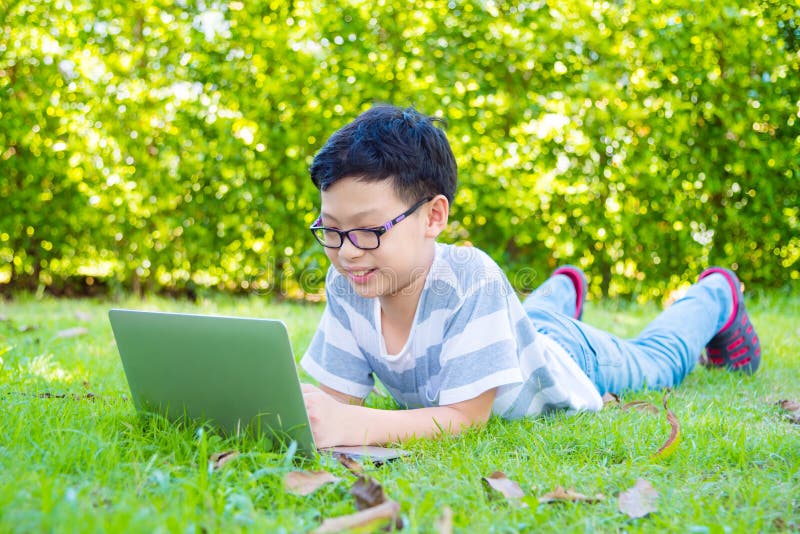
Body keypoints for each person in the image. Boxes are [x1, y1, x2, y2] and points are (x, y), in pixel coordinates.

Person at [299, 105, 761, 449]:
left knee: (658, 359)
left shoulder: (471, 280)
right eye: (332, 230)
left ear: (433, 216)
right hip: (518, 337)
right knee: (531, 321)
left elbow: (465, 417)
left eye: (367, 230)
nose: (346, 252)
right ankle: (562, 289)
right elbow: (335, 400)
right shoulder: (351, 279)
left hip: (575, 359)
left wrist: (353, 427)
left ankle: (718, 294)